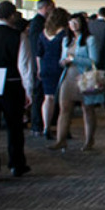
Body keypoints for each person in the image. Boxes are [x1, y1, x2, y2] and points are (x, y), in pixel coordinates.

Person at [0, 2, 33, 182]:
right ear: (12, 15)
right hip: (12, 84)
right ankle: (16, 164)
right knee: (15, 127)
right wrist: (28, 90)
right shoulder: (19, 36)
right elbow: (25, 66)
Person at [49, 12, 104, 151]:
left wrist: (74, 59)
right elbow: (62, 58)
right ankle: (61, 140)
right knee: (64, 108)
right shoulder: (66, 40)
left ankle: (89, 140)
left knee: (88, 109)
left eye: (76, 22)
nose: (73, 25)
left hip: (85, 77)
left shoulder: (90, 39)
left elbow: (94, 60)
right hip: (68, 75)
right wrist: (64, 61)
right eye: (71, 23)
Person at [36, 7, 68, 139]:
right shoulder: (65, 33)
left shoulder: (43, 33)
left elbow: (38, 54)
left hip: (45, 66)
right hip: (59, 66)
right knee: (62, 99)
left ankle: (46, 127)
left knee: (48, 98)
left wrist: (39, 69)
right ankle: (63, 127)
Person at [26, 0, 55, 136]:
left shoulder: (36, 22)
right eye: (52, 7)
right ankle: (37, 124)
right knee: (39, 95)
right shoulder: (38, 23)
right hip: (40, 64)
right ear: (46, 7)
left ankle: (40, 124)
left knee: (41, 95)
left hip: (40, 63)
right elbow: (37, 47)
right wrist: (38, 66)